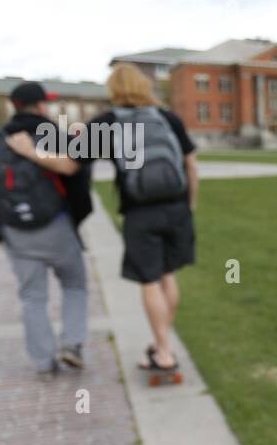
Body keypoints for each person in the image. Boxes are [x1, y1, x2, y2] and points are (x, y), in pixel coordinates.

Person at [11, 63, 198, 377]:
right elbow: (191, 165)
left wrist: (30, 152)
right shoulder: (167, 118)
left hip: (140, 211)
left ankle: (164, 352)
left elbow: (70, 166)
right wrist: (190, 206)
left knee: (150, 280)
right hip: (177, 208)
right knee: (168, 276)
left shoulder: (108, 123)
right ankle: (161, 344)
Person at [0, 82, 93, 377]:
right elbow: (80, 184)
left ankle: (43, 360)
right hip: (57, 226)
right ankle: (72, 344)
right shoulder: (57, 136)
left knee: (32, 297)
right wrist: (74, 221)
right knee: (75, 285)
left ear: (14, 105)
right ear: (40, 105)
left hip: (15, 230)